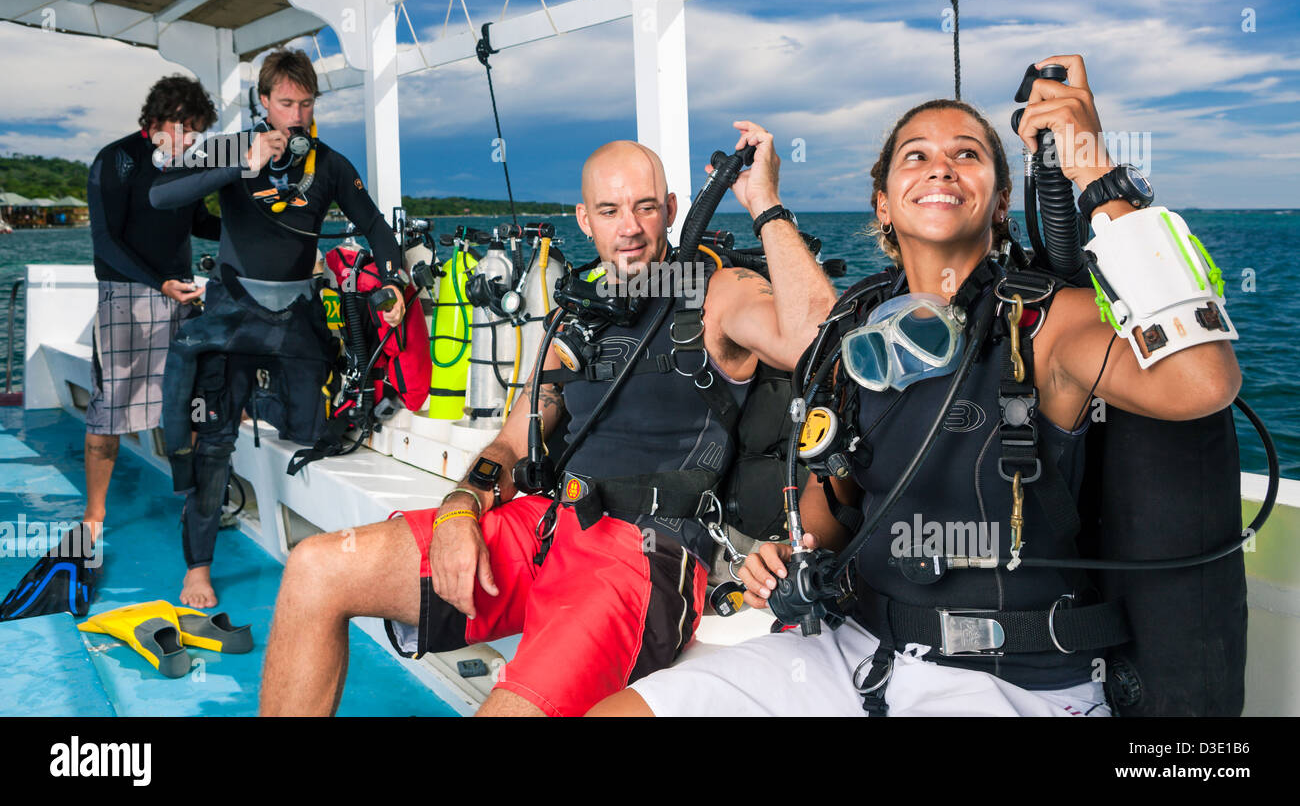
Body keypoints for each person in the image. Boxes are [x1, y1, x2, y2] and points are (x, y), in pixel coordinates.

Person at [590, 55, 1243, 717]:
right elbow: (826, 519)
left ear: (999, 202)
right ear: (882, 202)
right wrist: (785, 559)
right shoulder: (858, 330)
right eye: (915, 155)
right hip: (856, 652)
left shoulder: (1047, 320)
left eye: (966, 154)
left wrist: (1096, 174)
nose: (940, 166)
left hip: (1009, 682)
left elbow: (1203, 381)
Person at [258, 122, 840, 716]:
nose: (630, 228)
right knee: (315, 568)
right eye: (610, 210)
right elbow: (514, 440)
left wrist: (765, 202)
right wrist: (460, 509)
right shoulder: (580, 313)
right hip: (546, 524)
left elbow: (818, 337)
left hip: (640, 554)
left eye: (645, 207)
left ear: (670, 210)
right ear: (585, 220)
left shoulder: (717, 293)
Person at [150, 49, 406, 609]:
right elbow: (161, 194)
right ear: (263, 103)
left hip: (294, 314)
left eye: (306, 104)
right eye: (285, 103)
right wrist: (240, 165)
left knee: (316, 431)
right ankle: (198, 567)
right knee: (215, 441)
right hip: (233, 308)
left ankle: (321, 550)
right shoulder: (229, 149)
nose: (296, 114)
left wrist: (393, 286)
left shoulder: (330, 163)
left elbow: (374, 227)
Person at [84, 76, 220, 539]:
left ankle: (194, 506)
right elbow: (106, 241)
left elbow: (198, 220)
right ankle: (95, 515)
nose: (189, 140)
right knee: (112, 408)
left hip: (179, 294)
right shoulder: (117, 160)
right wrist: (157, 282)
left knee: (191, 402)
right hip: (127, 296)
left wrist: (257, 228)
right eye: (182, 128)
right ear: (156, 119)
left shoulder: (188, 165)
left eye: (196, 132)